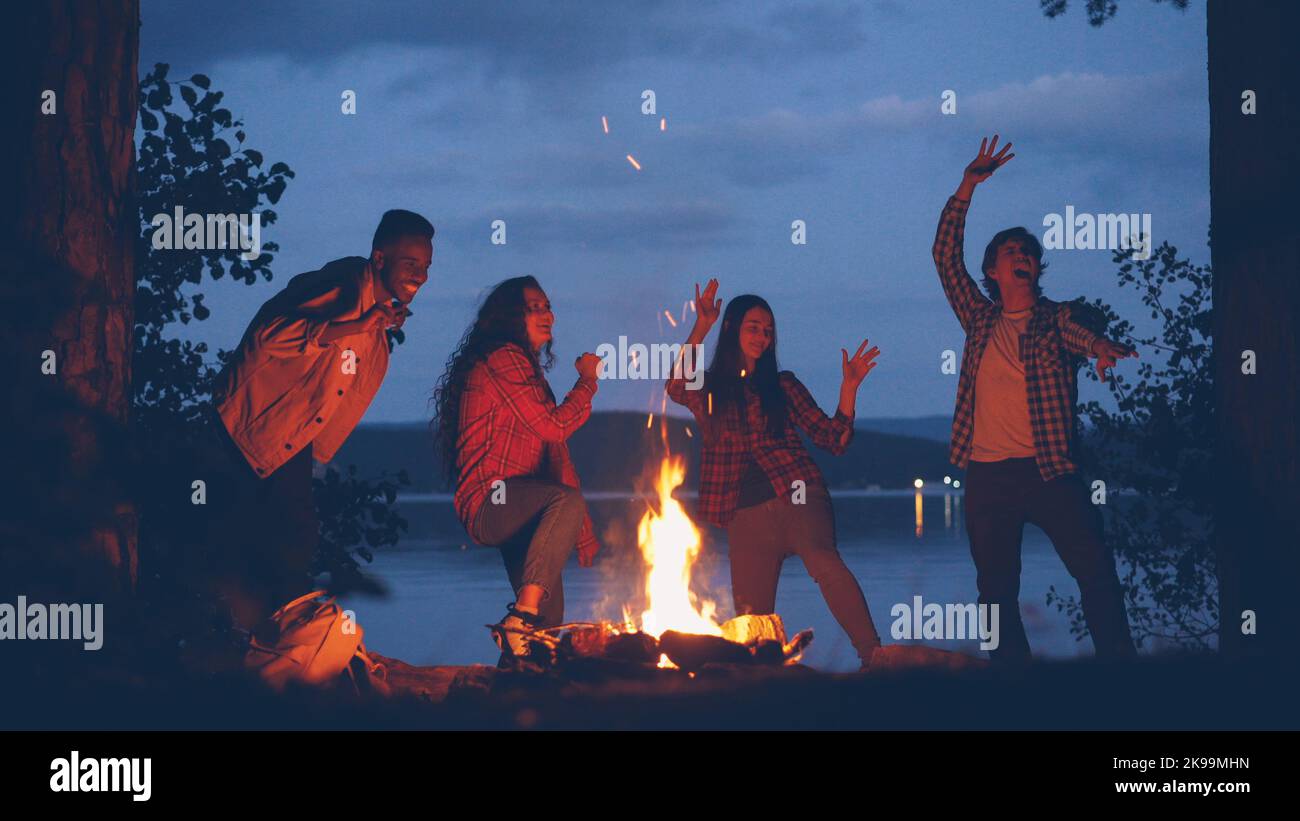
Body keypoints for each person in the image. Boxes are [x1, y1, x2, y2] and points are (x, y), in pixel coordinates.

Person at [932, 135, 1138, 664]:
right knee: (995, 591)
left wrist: (1098, 346)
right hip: (987, 474)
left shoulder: (1055, 318)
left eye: (1027, 253)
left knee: (1094, 570)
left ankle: (1120, 670)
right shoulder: (978, 319)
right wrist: (967, 185)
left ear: (1035, 269)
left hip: (1050, 471)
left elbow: (1078, 336)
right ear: (994, 272)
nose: (1021, 256)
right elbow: (944, 257)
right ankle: (1015, 686)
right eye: (1010, 253)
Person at [203, 209, 434, 633]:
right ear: (379, 259)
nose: (420, 275)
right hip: (251, 427)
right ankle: (286, 646)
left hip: (286, 441)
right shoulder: (345, 285)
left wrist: (317, 456)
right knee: (288, 538)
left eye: (425, 267)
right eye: (410, 264)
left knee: (279, 538)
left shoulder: (374, 315)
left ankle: (270, 643)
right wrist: (355, 323)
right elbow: (270, 337)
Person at [666, 279, 884, 669]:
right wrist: (702, 325)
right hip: (744, 515)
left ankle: (874, 657)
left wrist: (849, 388)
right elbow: (677, 386)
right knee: (752, 619)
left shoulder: (783, 385)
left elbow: (833, 439)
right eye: (754, 326)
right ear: (731, 328)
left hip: (797, 493)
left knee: (823, 562)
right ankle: (765, 682)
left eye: (768, 330)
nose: (763, 336)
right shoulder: (711, 389)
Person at [431, 276, 602, 661]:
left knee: (549, 622)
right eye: (533, 307)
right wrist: (588, 381)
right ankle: (520, 616)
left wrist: (582, 530)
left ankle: (513, 695)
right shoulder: (502, 358)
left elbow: (557, 456)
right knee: (533, 615)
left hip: (527, 506)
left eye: (547, 306)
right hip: (493, 501)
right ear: (510, 316)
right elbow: (555, 426)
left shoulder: (528, 374)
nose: (547, 314)